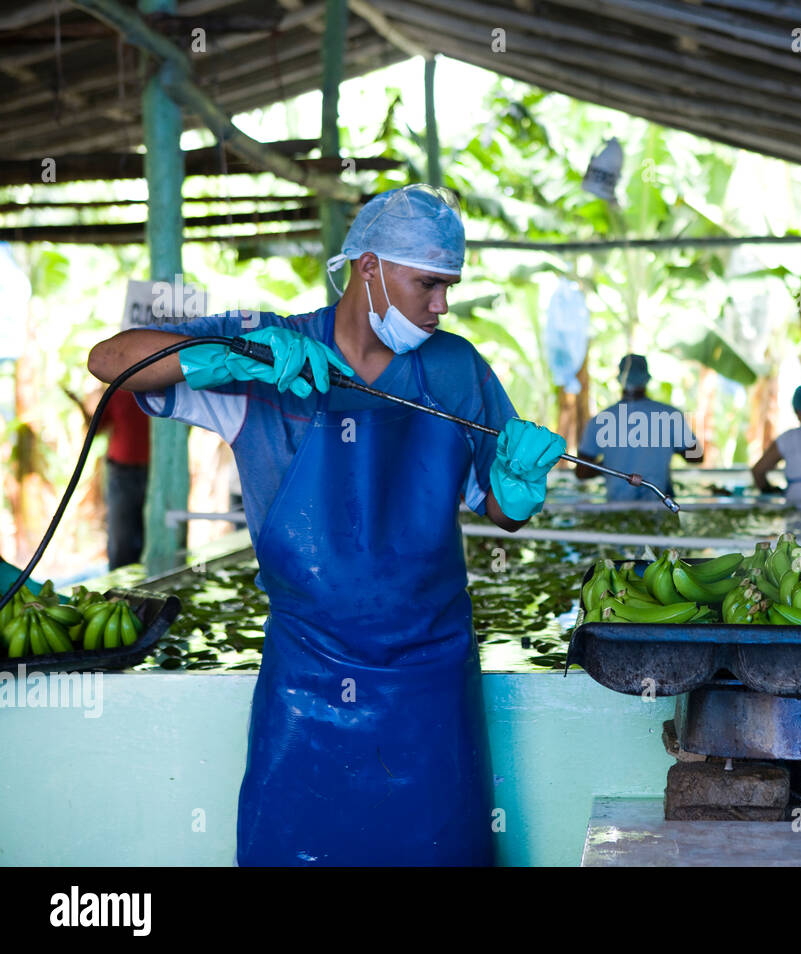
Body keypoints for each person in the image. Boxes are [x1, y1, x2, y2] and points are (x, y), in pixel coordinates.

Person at [86, 184, 567, 866]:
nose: (442, 306)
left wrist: (513, 498)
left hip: (430, 684)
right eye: (429, 284)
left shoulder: (458, 369)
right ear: (368, 267)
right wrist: (227, 355)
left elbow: (495, 505)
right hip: (306, 684)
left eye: (450, 287)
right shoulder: (270, 354)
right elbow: (109, 360)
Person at [575, 354, 700, 502]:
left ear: (619, 379)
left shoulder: (600, 421)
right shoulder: (670, 415)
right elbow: (696, 456)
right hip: (661, 507)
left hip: (617, 509)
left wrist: (609, 465)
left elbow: (581, 472)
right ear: (647, 378)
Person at [97, 388, 151, 568]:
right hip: (122, 473)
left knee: (150, 536)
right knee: (122, 539)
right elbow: (97, 427)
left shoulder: (159, 386)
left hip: (151, 472)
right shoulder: (116, 391)